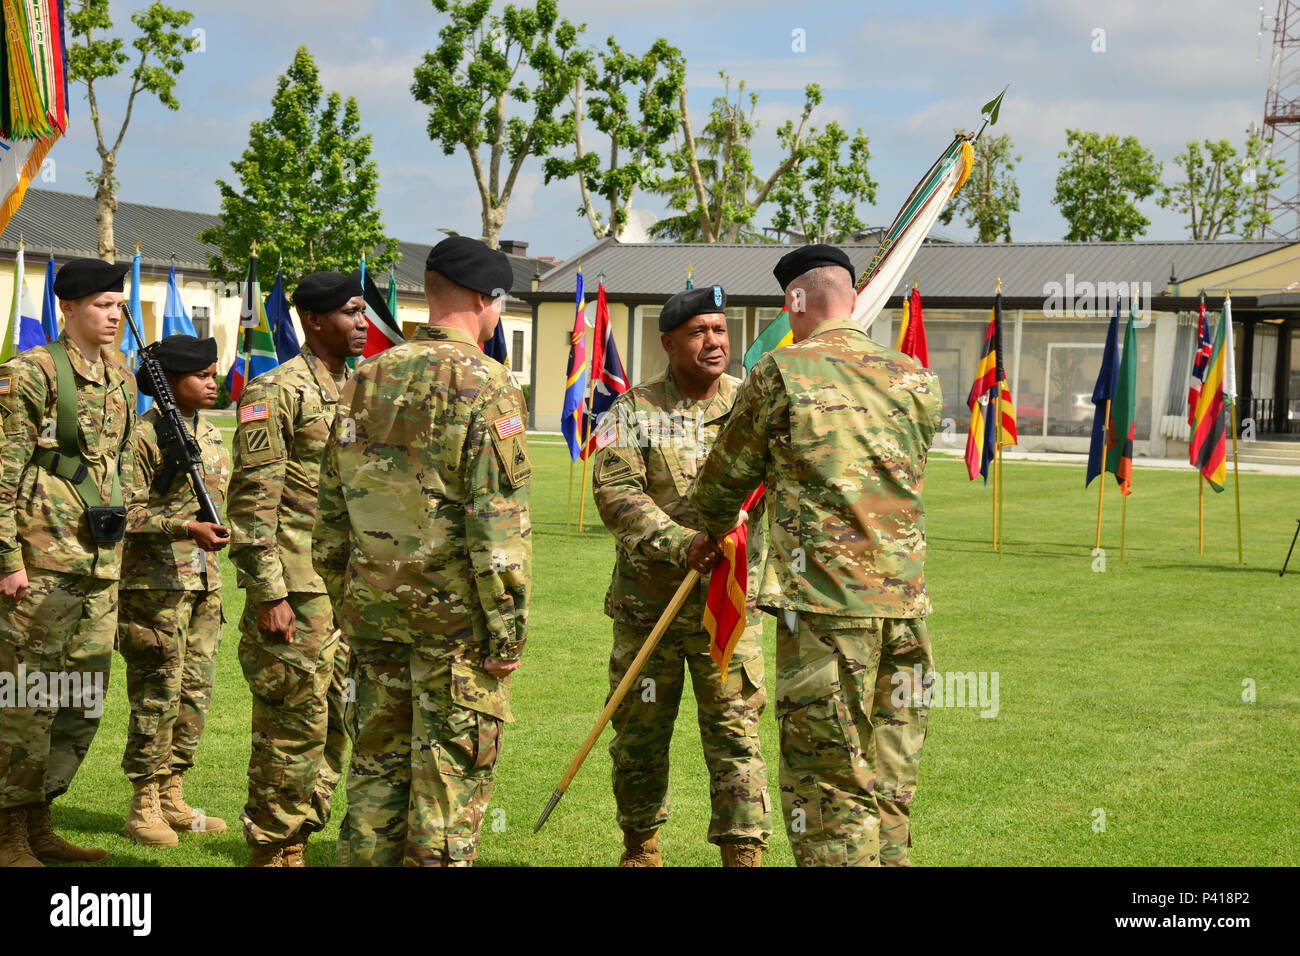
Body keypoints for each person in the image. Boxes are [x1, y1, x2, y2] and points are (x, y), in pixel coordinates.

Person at [688, 244, 941, 867]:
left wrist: (710, 529)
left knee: (828, 785)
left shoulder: (781, 372)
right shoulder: (915, 377)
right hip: (905, 608)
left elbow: (721, 485)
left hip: (826, 608)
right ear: (853, 299)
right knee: (889, 779)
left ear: (795, 302)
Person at [314, 236, 530, 867]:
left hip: (373, 615)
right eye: (498, 304)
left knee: (375, 775)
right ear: (482, 301)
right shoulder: (487, 382)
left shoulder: (365, 377)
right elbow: (497, 526)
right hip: (455, 625)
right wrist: (507, 631)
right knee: (448, 785)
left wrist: (344, 602)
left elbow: (330, 512)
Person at [590, 285, 770, 868]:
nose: (714, 341)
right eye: (698, 332)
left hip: (729, 609)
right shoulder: (632, 411)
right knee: (640, 737)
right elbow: (615, 491)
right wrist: (681, 544)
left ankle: (744, 854)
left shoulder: (753, 405)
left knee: (736, 738)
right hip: (650, 613)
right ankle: (641, 849)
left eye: (720, 330)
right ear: (668, 342)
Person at [226, 271, 366, 867]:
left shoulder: (368, 389)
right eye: (350, 312)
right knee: (292, 721)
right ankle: (273, 846)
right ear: (312, 320)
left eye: (364, 312)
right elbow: (253, 502)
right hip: (298, 586)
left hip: (355, 587)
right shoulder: (274, 391)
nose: (363, 323)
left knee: (340, 717)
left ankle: (301, 833)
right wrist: (268, 593)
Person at [0, 257, 137, 867]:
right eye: (103, 305)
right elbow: (2, 475)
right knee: (25, 697)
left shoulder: (124, 375)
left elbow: (123, 468)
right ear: (69, 308)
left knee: (80, 697)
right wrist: (7, 559)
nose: (115, 315)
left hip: (99, 564)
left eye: (119, 305)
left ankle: (40, 820)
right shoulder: (30, 373)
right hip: (40, 561)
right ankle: (8, 835)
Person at [118, 335, 230, 847]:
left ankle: (172, 792)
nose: (214, 382)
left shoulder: (211, 435)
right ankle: (143, 801)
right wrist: (184, 527)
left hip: (205, 583)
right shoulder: (142, 436)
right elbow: (122, 512)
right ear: (171, 381)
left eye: (214, 373)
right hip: (154, 586)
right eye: (203, 375)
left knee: (194, 693)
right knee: (156, 694)